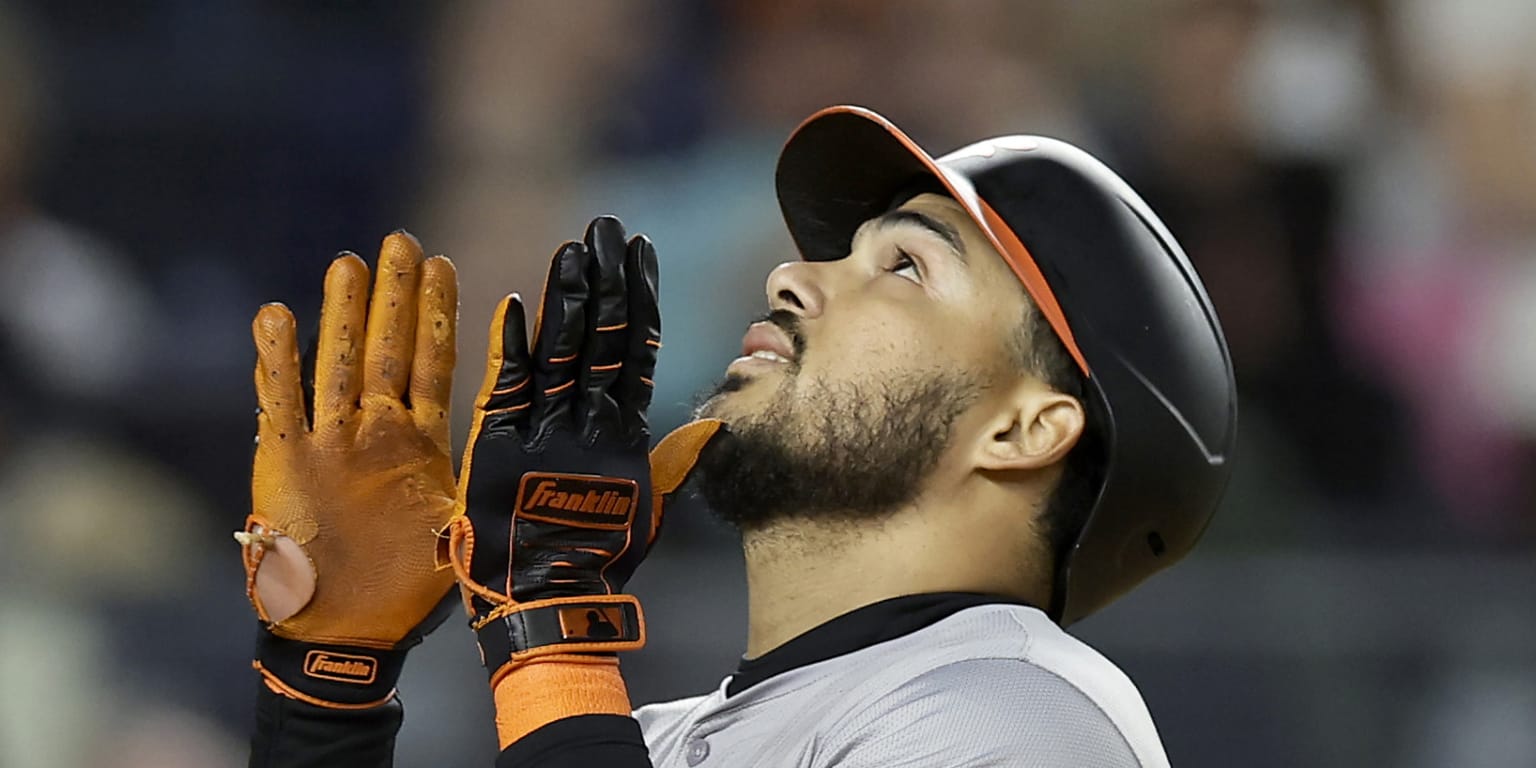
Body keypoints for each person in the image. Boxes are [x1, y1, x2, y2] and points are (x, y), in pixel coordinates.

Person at [238, 105, 1236, 767]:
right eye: (838, 251)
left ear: (1026, 426)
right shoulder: (664, 741)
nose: (792, 278)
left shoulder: (1020, 719)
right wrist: (331, 694)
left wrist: (552, 637)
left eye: (904, 267)